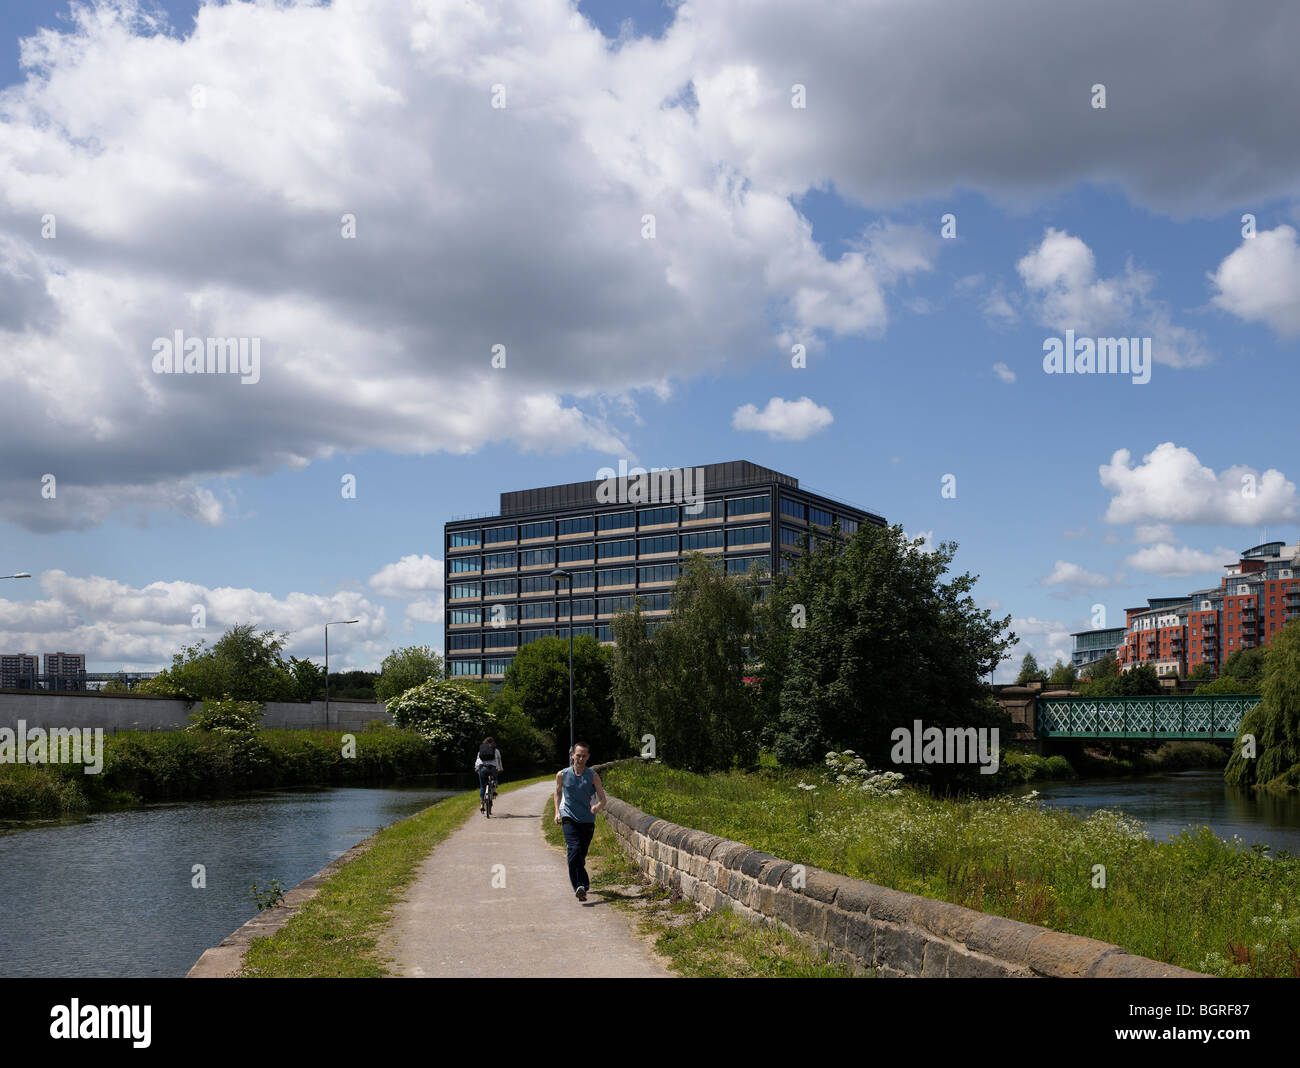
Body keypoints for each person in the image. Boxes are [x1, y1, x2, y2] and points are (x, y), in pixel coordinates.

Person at [553, 741, 607, 901]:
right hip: (568, 816)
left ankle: (583, 884)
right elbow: (557, 793)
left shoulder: (593, 776)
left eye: (584, 756)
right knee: (574, 849)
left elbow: (603, 798)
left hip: (587, 820)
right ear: (572, 756)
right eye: (578, 755)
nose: (581, 758)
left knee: (580, 855)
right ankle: (579, 886)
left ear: (588, 757)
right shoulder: (562, 774)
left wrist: (598, 806)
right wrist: (557, 812)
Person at [475, 736, 503, 812]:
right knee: (495, 775)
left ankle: (482, 805)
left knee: (482, 787)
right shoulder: (496, 750)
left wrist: (476, 768)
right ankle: (494, 788)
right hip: (492, 768)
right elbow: (499, 760)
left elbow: (477, 761)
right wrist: (500, 768)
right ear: (493, 743)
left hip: (482, 768)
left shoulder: (481, 750)